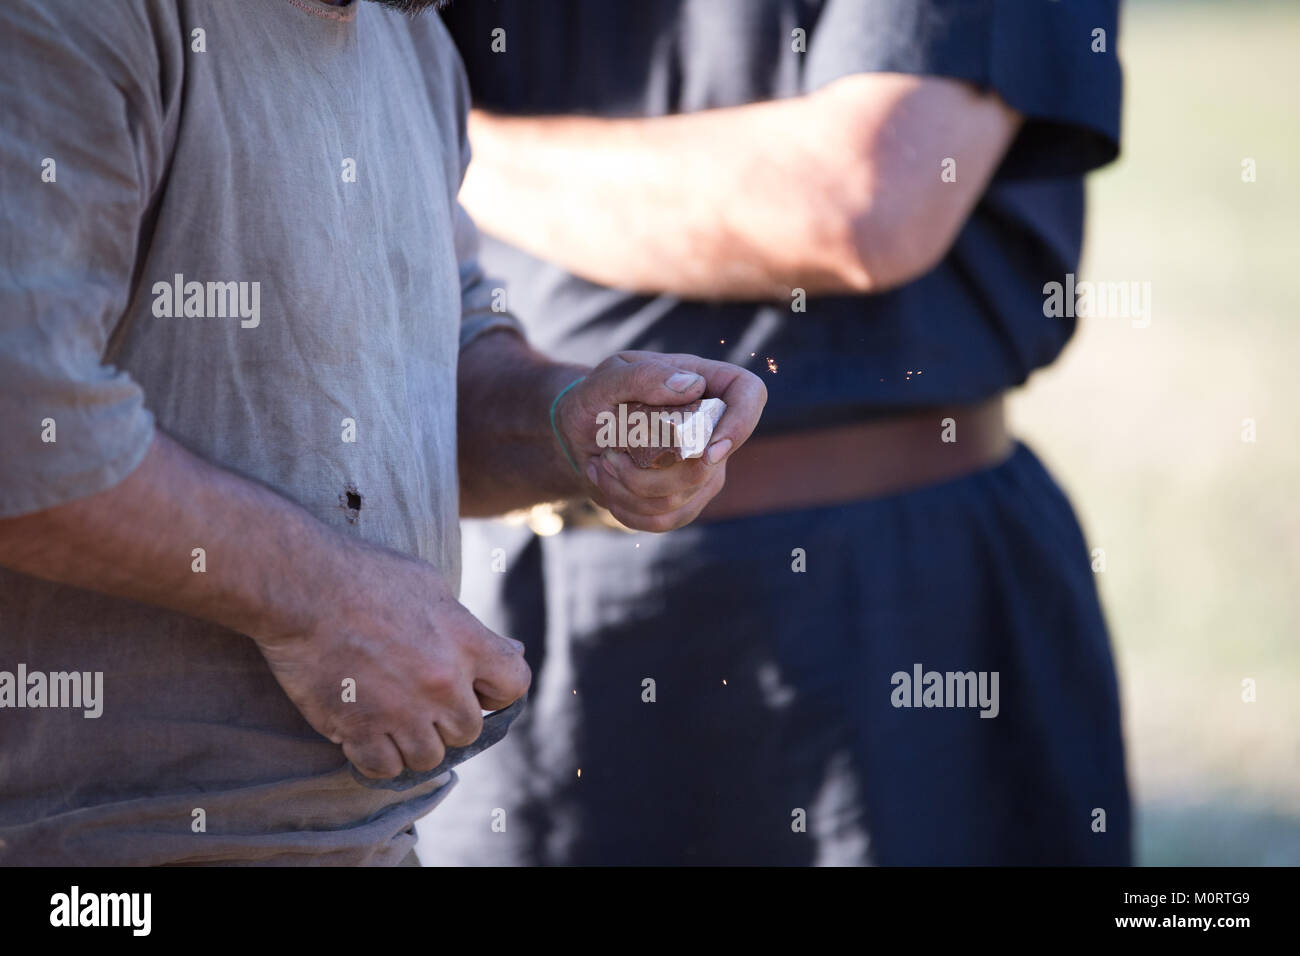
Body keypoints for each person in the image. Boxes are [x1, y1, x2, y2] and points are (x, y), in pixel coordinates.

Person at [0, 0, 764, 866]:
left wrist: (569, 423)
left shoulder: (412, 37)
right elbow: (25, 425)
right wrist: (320, 603)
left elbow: (438, 369)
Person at [418, 0, 1132, 865]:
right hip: (490, 581)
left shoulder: (426, 135)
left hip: (882, 597)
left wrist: (429, 141)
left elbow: (865, 197)